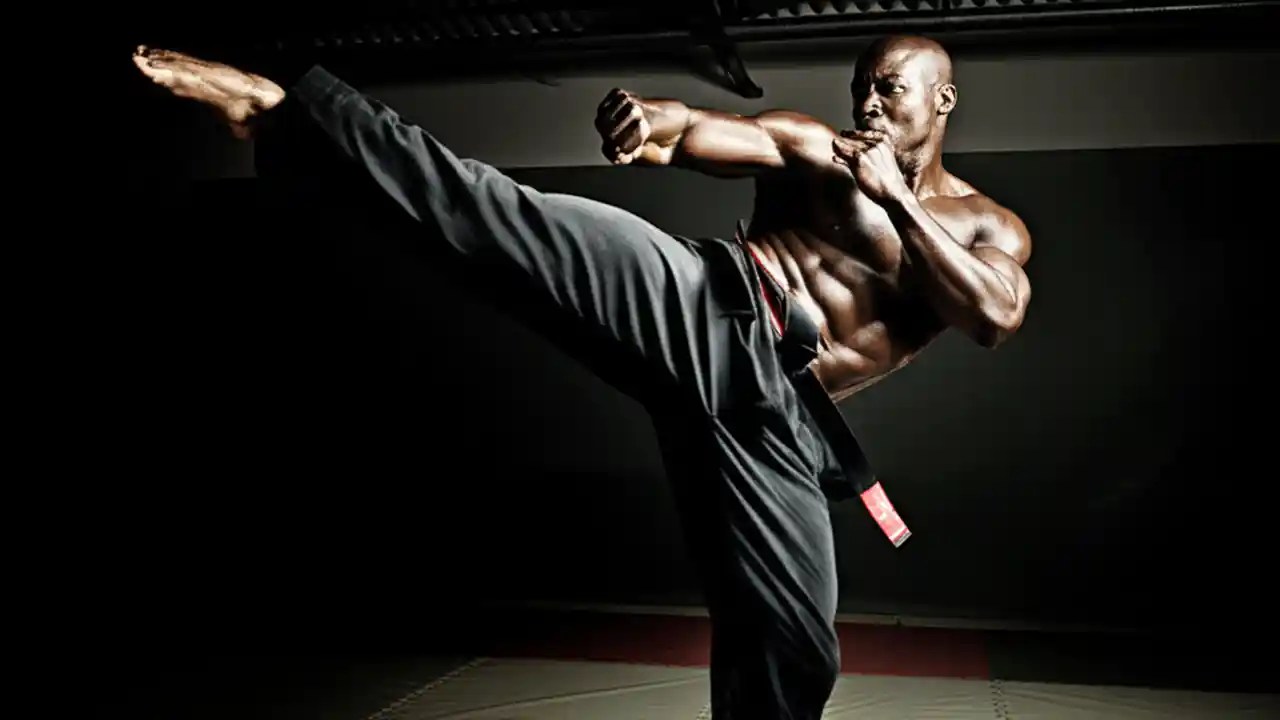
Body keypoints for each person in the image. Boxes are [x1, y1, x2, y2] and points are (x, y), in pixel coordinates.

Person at [131, 33, 1031, 719]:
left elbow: (991, 317)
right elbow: (708, 132)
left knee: (798, 648)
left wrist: (900, 199)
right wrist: (653, 125)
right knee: (501, 218)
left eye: (890, 89)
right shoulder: (819, 153)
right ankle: (284, 112)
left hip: (777, 420)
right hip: (709, 304)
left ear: (942, 99)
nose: (868, 104)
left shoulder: (990, 228)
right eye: (861, 88)